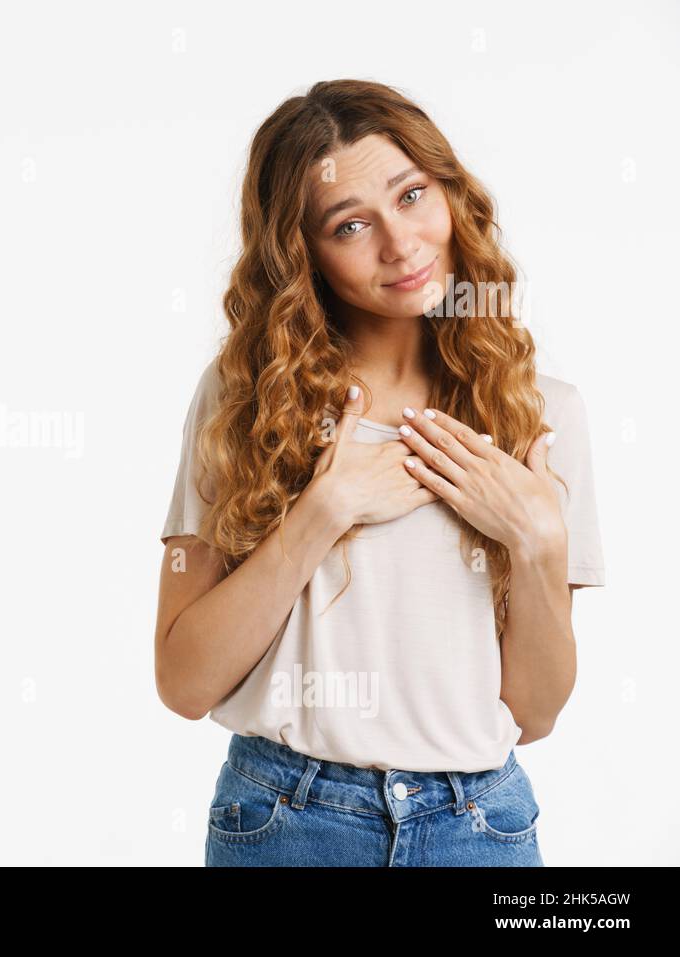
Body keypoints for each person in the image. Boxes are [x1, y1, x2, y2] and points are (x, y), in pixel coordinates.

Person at [154, 79, 606, 867]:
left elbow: (534, 713)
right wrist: (321, 512)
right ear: (304, 254)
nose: (401, 245)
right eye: (351, 224)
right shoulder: (244, 400)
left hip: (480, 827)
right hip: (288, 821)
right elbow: (184, 681)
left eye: (413, 195)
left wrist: (537, 541)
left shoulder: (542, 415)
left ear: (451, 193)